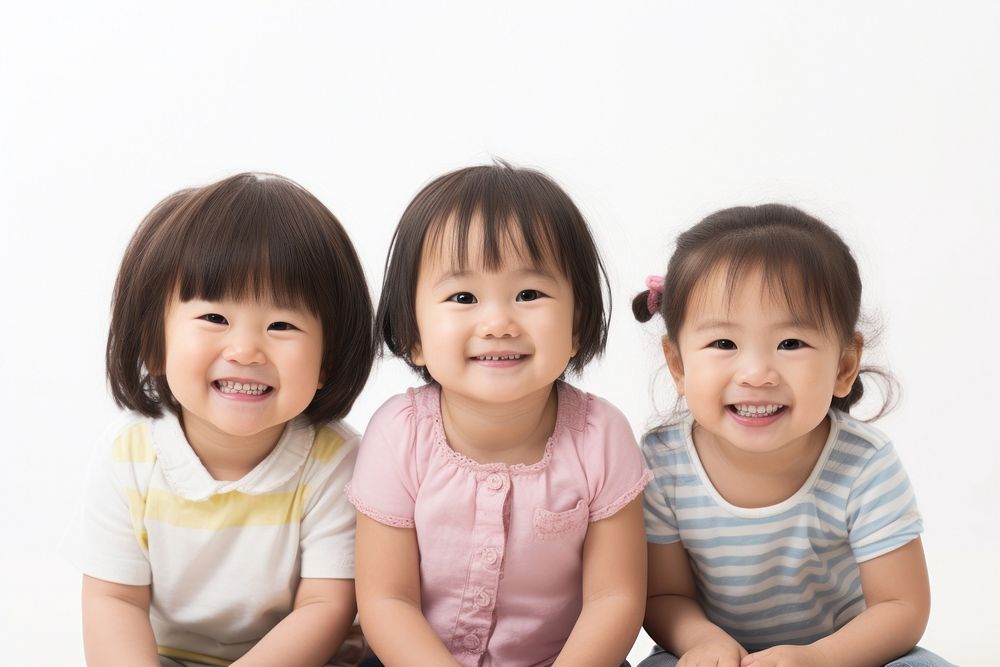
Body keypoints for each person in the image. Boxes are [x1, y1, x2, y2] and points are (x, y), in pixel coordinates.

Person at [349, 162, 651, 667]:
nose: (498, 323)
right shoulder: (398, 434)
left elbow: (614, 598)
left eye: (529, 294)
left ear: (577, 324)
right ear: (414, 334)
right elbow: (387, 600)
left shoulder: (601, 436)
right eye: (463, 297)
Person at [76, 173, 375, 667]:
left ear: (327, 360)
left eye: (281, 325)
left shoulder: (338, 461)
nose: (245, 350)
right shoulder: (127, 455)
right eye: (215, 319)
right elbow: (114, 600)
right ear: (154, 342)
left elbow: (325, 605)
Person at [633, 204, 952, 667]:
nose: (756, 373)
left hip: (844, 654)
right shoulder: (664, 462)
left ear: (844, 365)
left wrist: (818, 658)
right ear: (678, 364)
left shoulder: (864, 463)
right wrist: (702, 643)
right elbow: (664, 595)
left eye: (791, 344)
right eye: (723, 343)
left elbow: (900, 606)